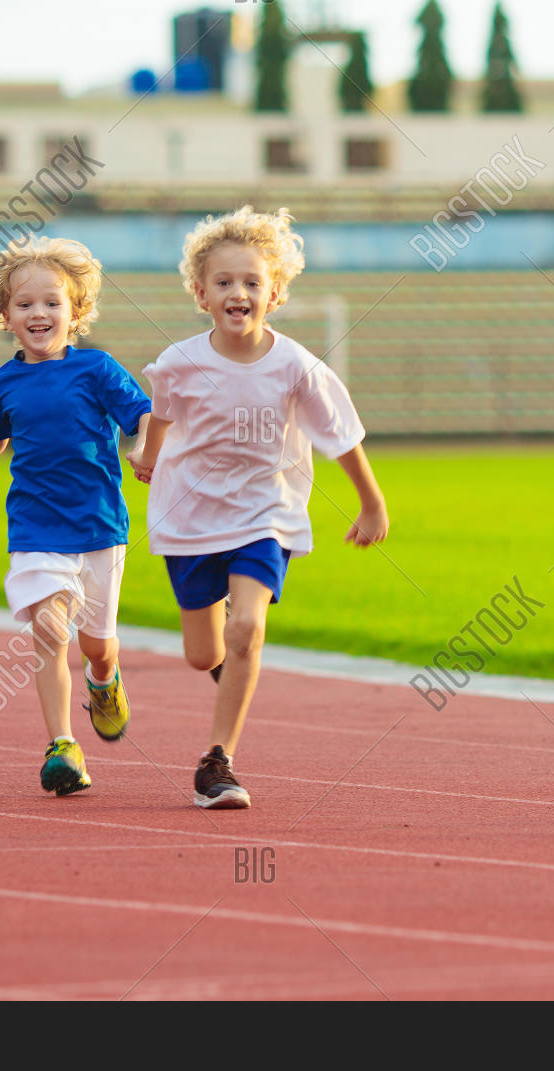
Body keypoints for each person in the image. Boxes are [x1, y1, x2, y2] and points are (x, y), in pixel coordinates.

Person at [127, 206, 389, 809]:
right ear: (201, 294)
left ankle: (217, 762)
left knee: (247, 627)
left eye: (251, 282)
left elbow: (341, 437)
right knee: (202, 655)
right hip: (190, 518)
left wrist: (371, 504)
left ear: (275, 291)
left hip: (265, 515)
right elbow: (160, 418)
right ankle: (225, 653)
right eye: (223, 282)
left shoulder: (297, 367)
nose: (238, 292)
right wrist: (146, 455)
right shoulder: (179, 364)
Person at [0, 237, 153, 796]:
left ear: (76, 311)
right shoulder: (2, 383)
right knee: (50, 629)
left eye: (52, 303)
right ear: (5, 315)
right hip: (35, 527)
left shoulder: (98, 370)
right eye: (25, 304)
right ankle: (63, 747)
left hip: (100, 528)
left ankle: (105, 681)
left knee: (97, 644)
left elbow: (144, 419)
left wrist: (146, 450)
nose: (39, 314)